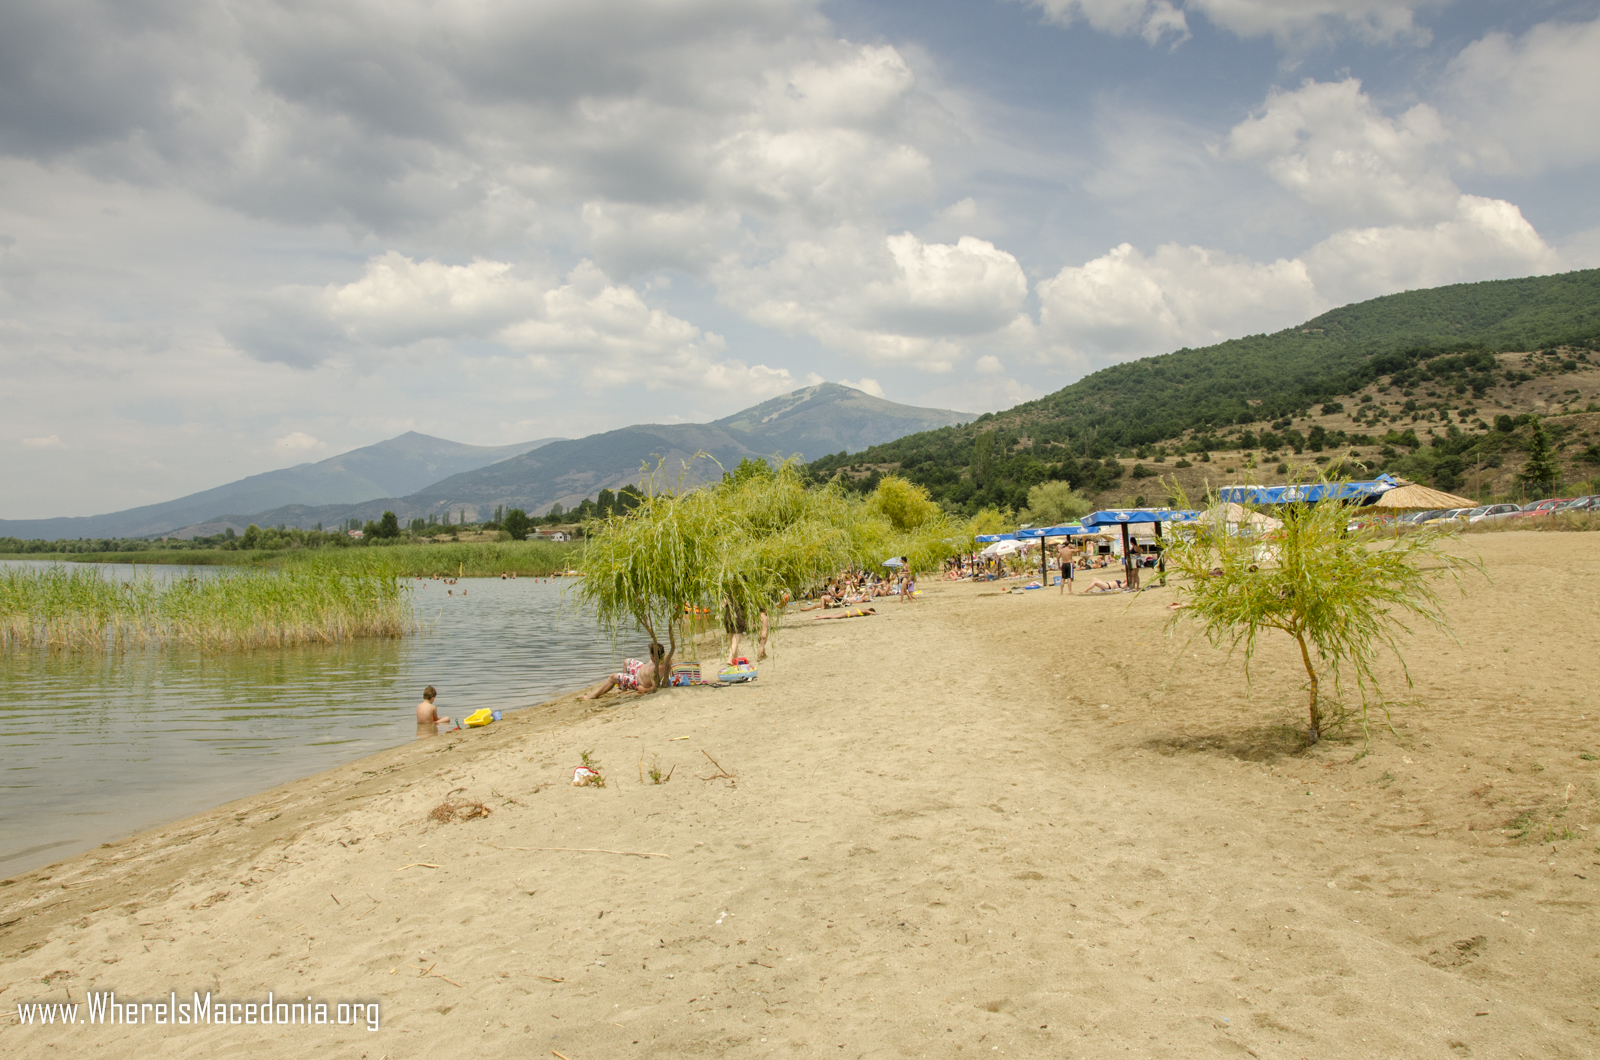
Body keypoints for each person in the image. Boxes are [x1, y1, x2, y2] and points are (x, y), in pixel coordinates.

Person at [580, 643, 666, 700]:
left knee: (612, 677)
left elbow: (655, 687)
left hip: (637, 681)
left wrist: (643, 690)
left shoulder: (654, 670)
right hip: (640, 669)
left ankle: (593, 695)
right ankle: (623, 688)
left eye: (650, 654)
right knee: (626, 661)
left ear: (653, 656)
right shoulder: (664, 657)